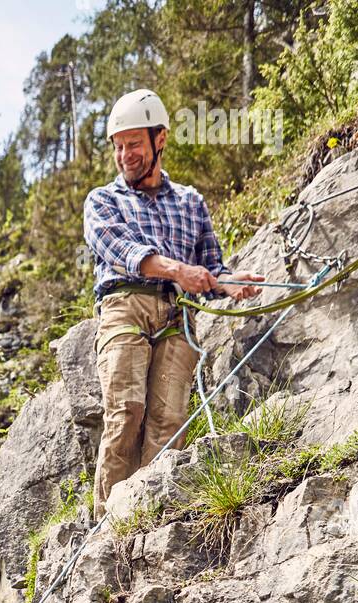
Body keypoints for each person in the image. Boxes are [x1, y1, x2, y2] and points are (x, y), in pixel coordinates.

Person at [83, 88, 265, 521]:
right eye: (119, 146)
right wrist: (180, 271)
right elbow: (123, 252)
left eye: (135, 144)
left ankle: (150, 521)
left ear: (160, 139)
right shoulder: (103, 201)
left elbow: (211, 270)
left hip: (178, 315)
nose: (125, 154)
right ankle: (109, 525)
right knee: (127, 411)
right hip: (124, 306)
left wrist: (228, 283)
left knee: (169, 423)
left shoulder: (190, 202)